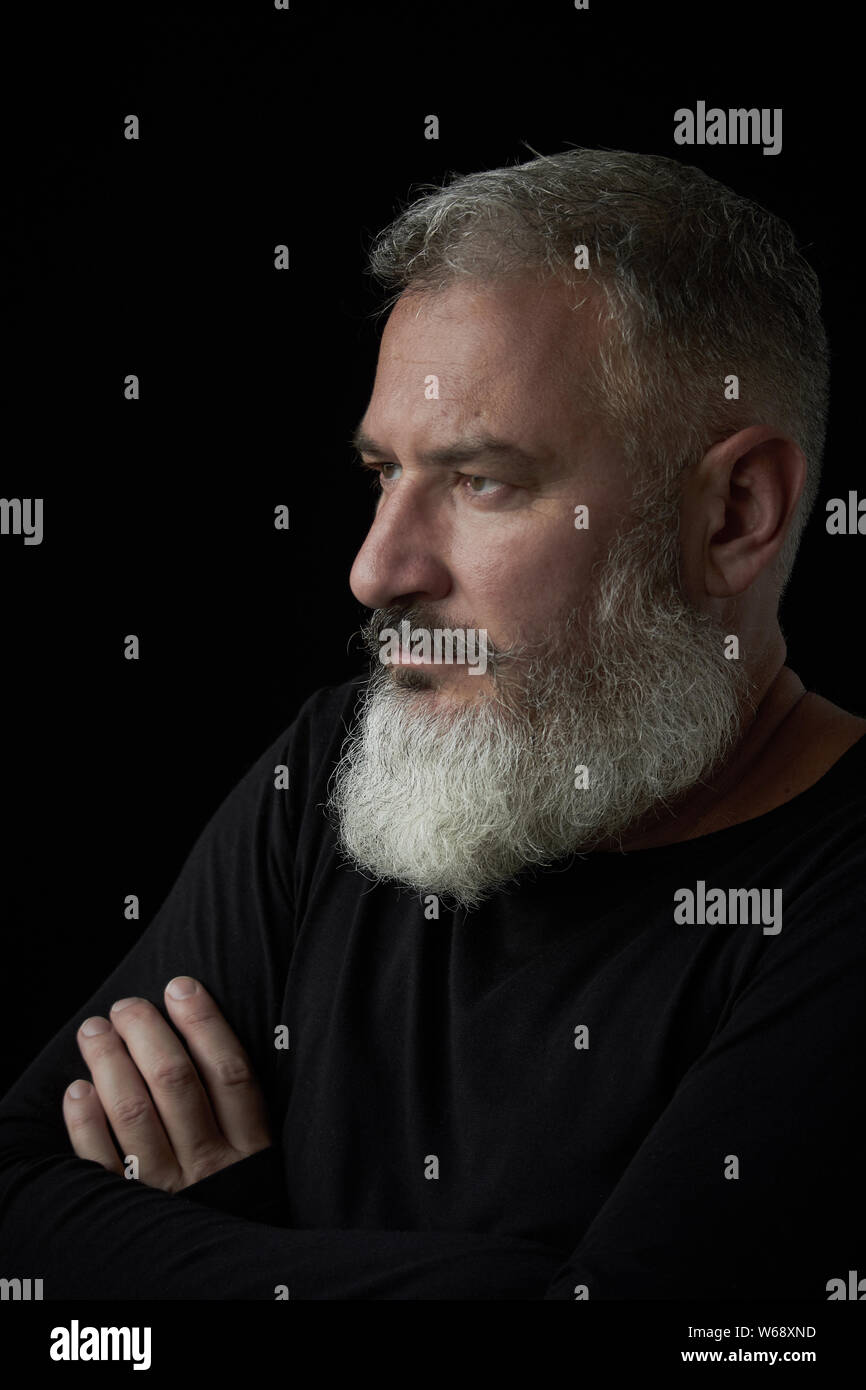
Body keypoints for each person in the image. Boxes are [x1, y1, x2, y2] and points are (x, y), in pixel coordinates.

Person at [1, 147, 863, 1300]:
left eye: (480, 482)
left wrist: (205, 1244)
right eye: (380, 474)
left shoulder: (837, 900)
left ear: (731, 514)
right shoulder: (332, 766)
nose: (374, 572)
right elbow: (14, 1194)